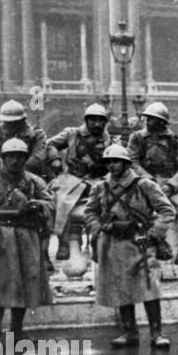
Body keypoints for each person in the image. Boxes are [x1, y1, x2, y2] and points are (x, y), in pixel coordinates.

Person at [85, 143, 175, 348]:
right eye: (109, 162)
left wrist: (153, 234)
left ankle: (156, 332)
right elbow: (90, 212)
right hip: (113, 243)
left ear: (126, 163)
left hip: (140, 242)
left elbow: (167, 211)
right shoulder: (100, 186)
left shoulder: (144, 185)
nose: (113, 166)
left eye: (117, 161)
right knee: (120, 287)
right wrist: (98, 227)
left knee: (149, 287)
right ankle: (129, 331)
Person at [0, 138, 54, 339]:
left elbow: (50, 203)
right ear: (3, 158)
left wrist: (37, 205)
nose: (15, 161)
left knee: (25, 282)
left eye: (20, 157)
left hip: (26, 235)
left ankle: (16, 330)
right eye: (11, 157)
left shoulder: (33, 181)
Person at [129, 101, 178, 266]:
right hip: (145, 182)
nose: (148, 122)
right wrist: (149, 181)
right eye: (147, 118)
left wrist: (171, 185)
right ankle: (159, 241)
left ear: (162, 122)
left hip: (172, 181)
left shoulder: (176, 141)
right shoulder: (137, 138)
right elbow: (132, 162)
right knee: (142, 210)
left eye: (153, 119)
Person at [47, 102, 113, 261]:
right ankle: (63, 241)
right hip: (73, 177)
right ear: (86, 120)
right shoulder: (72, 133)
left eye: (101, 120)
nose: (97, 124)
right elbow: (49, 144)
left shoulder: (108, 138)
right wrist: (55, 159)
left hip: (98, 178)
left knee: (111, 203)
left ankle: (96, 242)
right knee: (62, 200)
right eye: (93, 120)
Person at [0, 99, 53, 176]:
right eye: (6, 121)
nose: (8, 125)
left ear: (22, 121)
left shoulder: (37, 136)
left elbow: (36, 160)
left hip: (26, 177)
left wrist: (11, 169)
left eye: (13, 122)